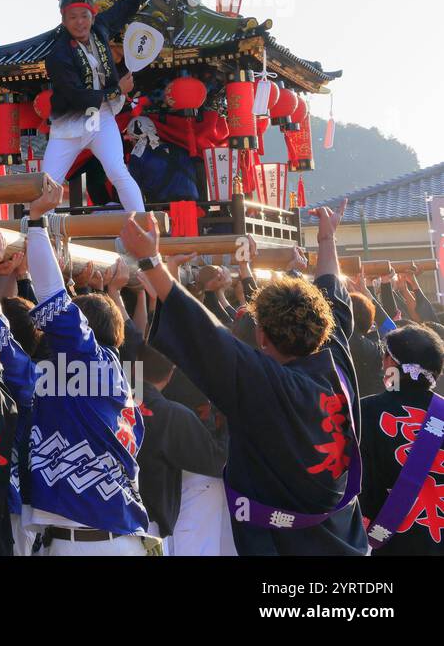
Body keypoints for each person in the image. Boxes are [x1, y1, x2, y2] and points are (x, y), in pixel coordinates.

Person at [122, 200, 368, 555]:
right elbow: (331, 289)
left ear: (262, 336)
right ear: (322, 325)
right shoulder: (335, 363)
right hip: (344, 539)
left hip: (289, 549)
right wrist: (327, 239)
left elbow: (209, 337)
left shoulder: (270, 384)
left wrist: (153, 262)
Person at [20, 176, 153, 555]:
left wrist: (36, 222)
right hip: (106, 540)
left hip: (92, 544)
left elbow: (51, 297)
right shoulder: (110, 375)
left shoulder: (89, 361)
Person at [41, 0, 156, 213]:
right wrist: (118, 91)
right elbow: (75, 96)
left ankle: (143, 224)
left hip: (101, 119)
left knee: (117, 170)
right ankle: (38, 231)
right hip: (70, 122)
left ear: (92, 16)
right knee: (48, 182)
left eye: (84, 16)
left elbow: (122, 10)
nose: (80, 23)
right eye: (73, 18)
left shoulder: (100, 30)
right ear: (64, 21)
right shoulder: (57, 55)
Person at [359, 324, 444, 554]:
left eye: (385, 356)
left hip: (391, 540)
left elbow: (362, 483)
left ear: (393, 364)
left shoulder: (366, 410)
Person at [135, 345, 229, 553]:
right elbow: (216, 461)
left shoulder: (107, 400)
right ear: (171, 372)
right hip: (148, 527)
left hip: (103, 520)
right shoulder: (173, 415)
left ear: (134, 366)